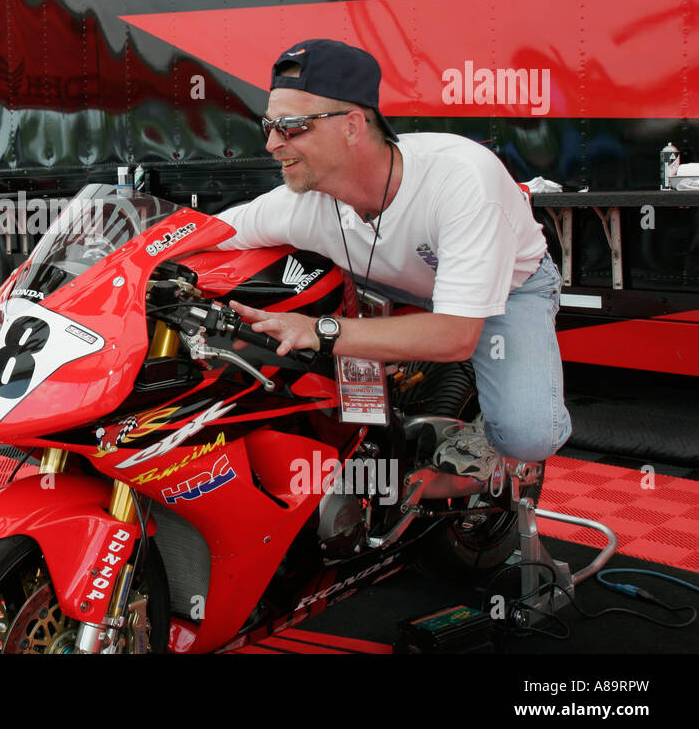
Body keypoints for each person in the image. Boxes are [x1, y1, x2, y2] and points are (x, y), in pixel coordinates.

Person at [218, 39, 571, 478]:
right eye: (267, 125)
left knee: (527, 436)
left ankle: (483, 443)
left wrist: (320, 331)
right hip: (386, 278)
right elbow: (208, 234)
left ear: (352, 126)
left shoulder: (462, 180)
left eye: (291, 127)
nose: (272, 144)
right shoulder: (296, 204)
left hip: (510, 288)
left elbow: (455, 335)